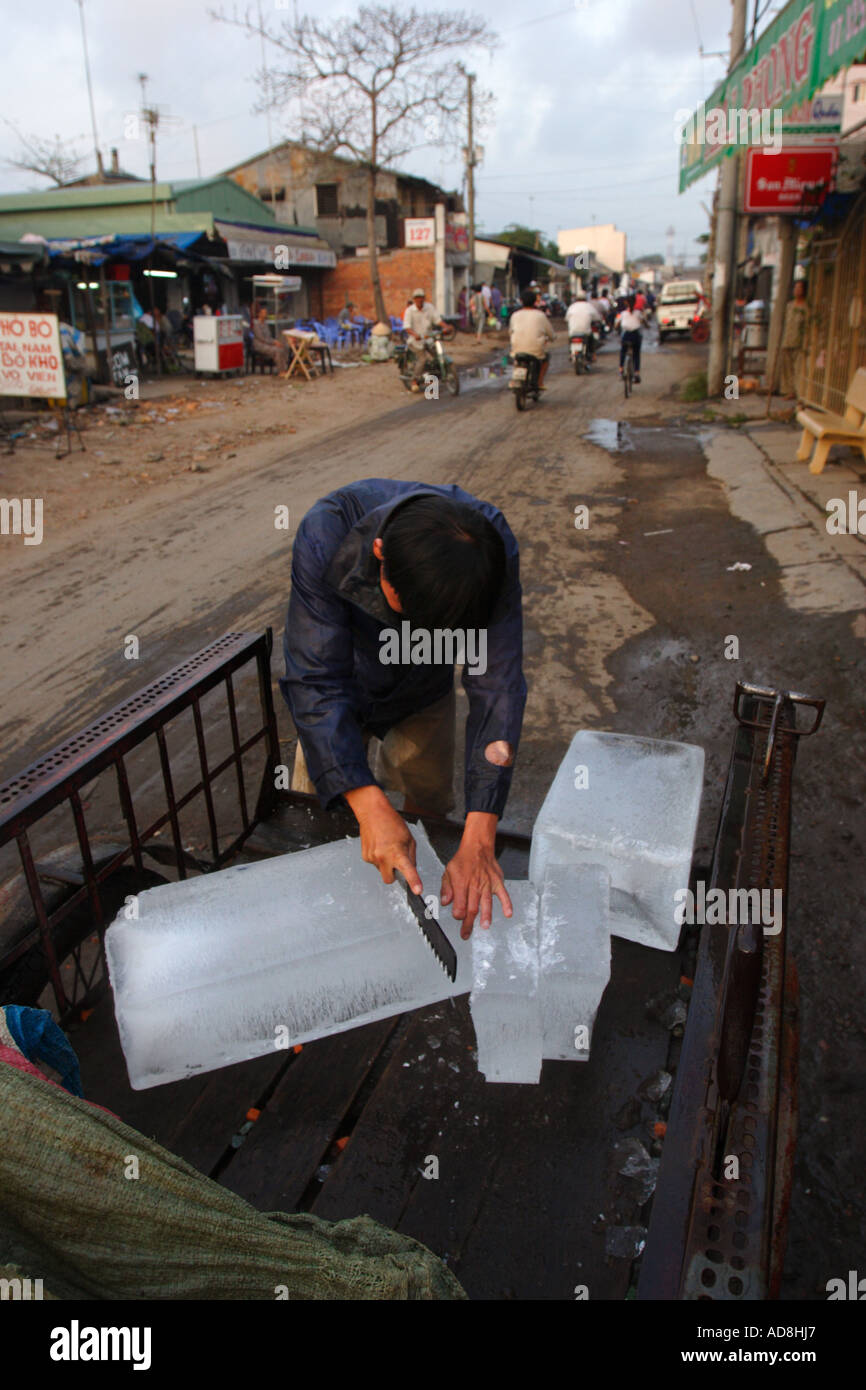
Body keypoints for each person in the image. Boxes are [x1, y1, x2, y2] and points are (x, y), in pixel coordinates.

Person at [281, 480, 527, 936]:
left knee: (430, 799)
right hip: (342, 691)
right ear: (379, 555)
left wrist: (481, 835)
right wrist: (367, 802)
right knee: (319, 811)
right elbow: (316, 681)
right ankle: (326, 923)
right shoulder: (326, 534)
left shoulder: (490, 547)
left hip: (424, 690)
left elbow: (499, 685)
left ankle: (421, 888)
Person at [510, 285, 555, 390]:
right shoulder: (540, 315)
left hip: (517, 348)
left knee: (516, 360)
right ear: (535, 301)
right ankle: (539, 382)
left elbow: (510, 331)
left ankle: (514, 380)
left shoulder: (515, 315)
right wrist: (552, 338)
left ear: (521, 301)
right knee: (546, 358)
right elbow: (550, 333)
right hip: (536, 350)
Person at [402, 287, 445, 391]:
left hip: (428, 339)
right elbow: (407, 326)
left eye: (421, 298)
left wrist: (446, 326)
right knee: (423, 359)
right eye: (417, 298)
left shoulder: (429, 307)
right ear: (414, 299)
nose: (419, 300)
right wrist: (414, 334)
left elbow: (437, 320)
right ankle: (414, 380)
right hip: (415, 341)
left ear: (424, 298)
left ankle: (434, 375)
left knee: (438, 356)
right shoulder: (409, 311)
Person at [779, 279, 808, 399]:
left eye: (799, 288)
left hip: (799, 342)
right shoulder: (789, 306)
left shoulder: (806, 307)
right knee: (787, 369)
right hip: (787, 340)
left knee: (798, 368)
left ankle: (798, 392)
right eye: (795, 288)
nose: (797, 290)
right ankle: (788, 390)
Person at [565, 290, 602, 362]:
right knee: (592, 339)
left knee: (570, 340)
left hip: (573, 331)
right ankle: (592, 355)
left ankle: (571, 353)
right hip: (585, 331)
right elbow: (597, 317)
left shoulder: (572, 307)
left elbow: (566, 318)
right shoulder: (589, 306)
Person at [252, 302, 288, 373]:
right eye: (264, 313)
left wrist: (275, 342)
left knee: (282, 348)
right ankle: (280, 371)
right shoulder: (256, 325)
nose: (265, 314)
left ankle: (284, 369)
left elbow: (269, 336)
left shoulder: (265, 324)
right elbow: (261, 338)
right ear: (259, 314)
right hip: (260, 345)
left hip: (268, 343)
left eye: (266, 313)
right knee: (276, 350)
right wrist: (273, 343)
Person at [618, 295, 643, 383]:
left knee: (623, 352)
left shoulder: (623, 313)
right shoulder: (638, 313)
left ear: (626, 303)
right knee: (636, 354)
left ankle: (621, 370)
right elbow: (642, 321)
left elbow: (617, 323)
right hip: (635, 336)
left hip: (626, 336)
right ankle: (636, 373)